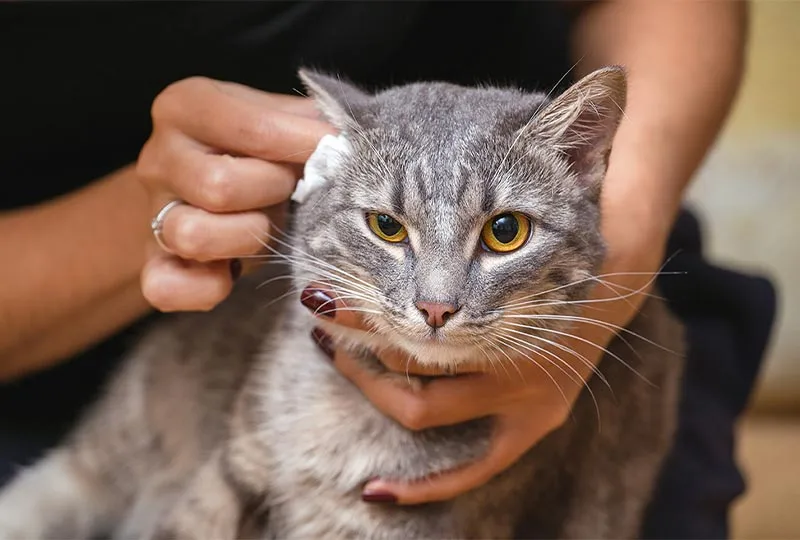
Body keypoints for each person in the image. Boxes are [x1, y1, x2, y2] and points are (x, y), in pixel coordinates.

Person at [0, 2, 775, 538]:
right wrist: (171, 213)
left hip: (583, 257)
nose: (437, 302)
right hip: (120, 319)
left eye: (499, 232)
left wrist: (621, 250)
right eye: (388, 226)